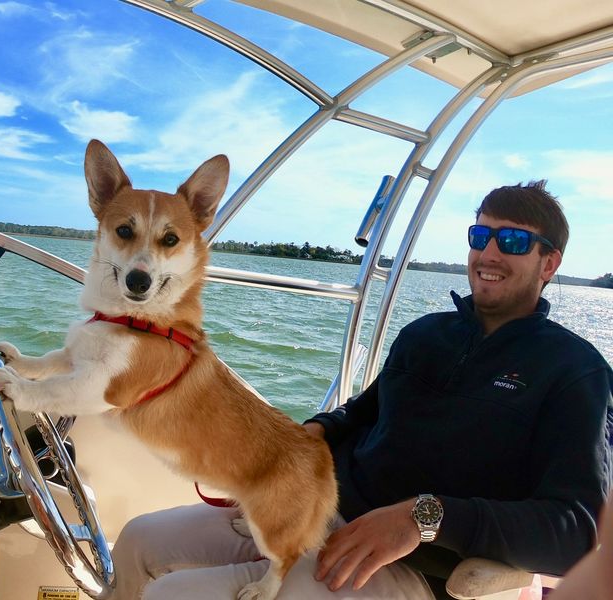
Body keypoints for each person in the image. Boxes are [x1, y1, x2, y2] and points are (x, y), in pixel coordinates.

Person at [108, 181, 613, 599]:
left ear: (549, 263)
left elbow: (575, 531)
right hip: (315, 511)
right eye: (480, 235)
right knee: (137, 541)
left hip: (412, 568)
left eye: (514, 242)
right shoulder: (425, 335)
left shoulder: (575, 371)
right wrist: (305, 438)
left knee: (173, 595)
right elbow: (360, 413)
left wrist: (424, 516)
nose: (489, 252)